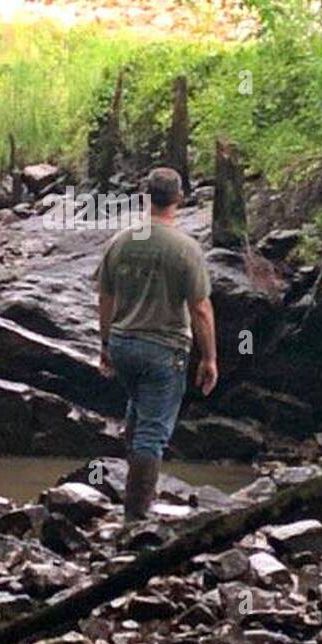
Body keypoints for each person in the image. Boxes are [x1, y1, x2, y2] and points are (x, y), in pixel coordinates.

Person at [95, 167, 218, 521]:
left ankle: (131, 496)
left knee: (137, 410)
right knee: (153, 431)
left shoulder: (119, 242)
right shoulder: (185, 249)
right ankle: (135, 517)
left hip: (123, 343)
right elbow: (200, 308)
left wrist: (105, 344)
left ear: (145, 196)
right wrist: (209, 358)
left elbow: (105, 297)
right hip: (163, 349)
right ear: (179, 198)